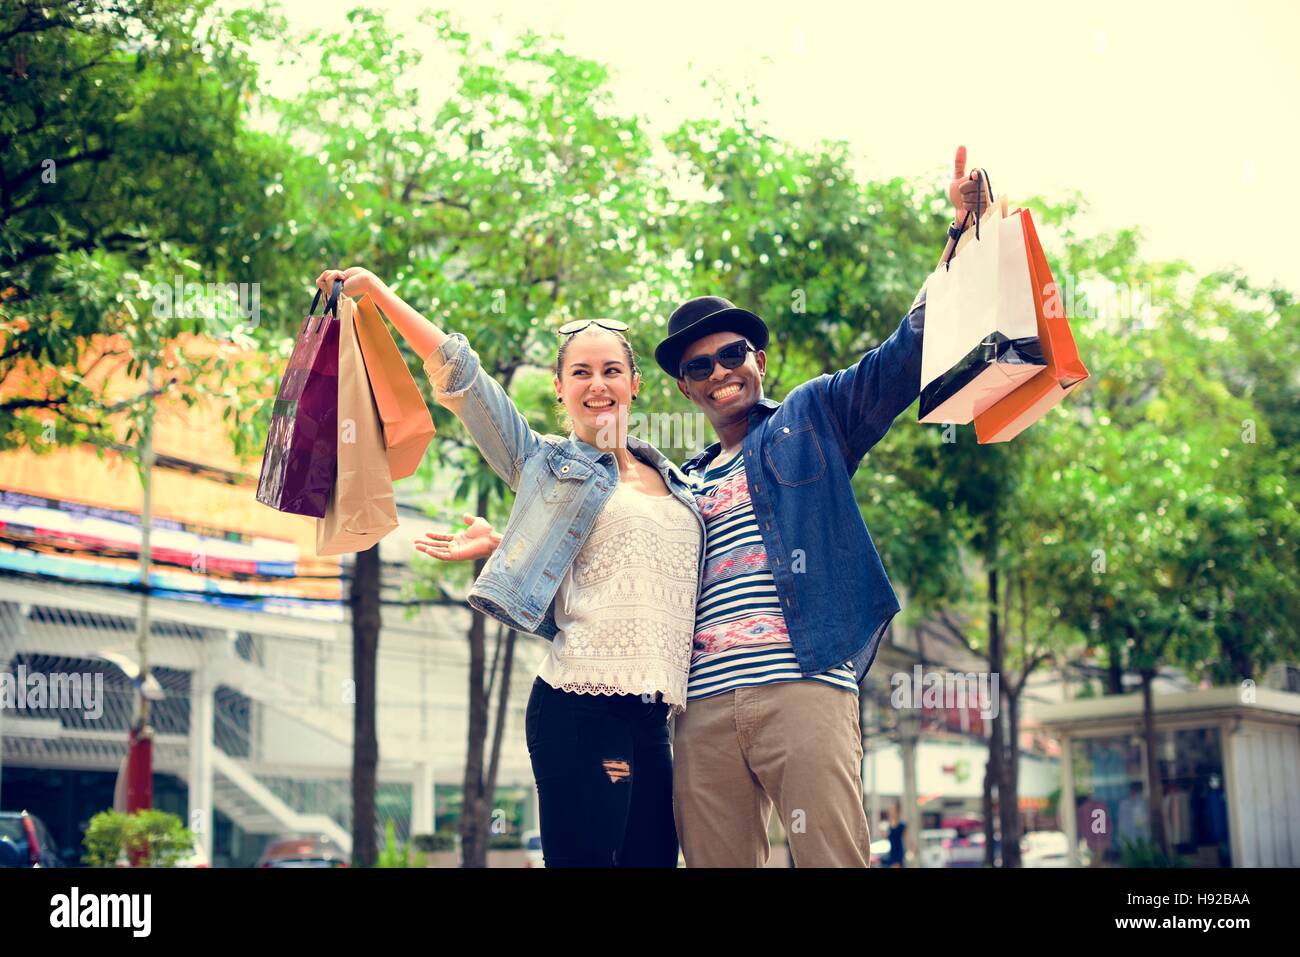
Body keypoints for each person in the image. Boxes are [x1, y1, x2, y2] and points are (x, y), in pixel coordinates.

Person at [428, 145, 993, 867]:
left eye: (734, 355)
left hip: (801, 685)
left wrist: (961, 237)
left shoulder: (813, 417)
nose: (721, 371)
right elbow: (615, 563)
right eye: (700, 367)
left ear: (762, 360)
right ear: (687, 389)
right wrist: (508, 542)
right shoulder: (678, 485)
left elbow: (902, 357)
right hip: (697, 712)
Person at [312, 267, 705, 868]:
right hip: (582, 705)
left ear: (635, 384)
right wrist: (378, 293)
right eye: (581, 372)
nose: (596, 385)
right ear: (558, 387)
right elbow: (462, 379)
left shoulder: (681, 484)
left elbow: (616, 568)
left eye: (611, 371)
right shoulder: (543, 463)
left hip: (655, 719)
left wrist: (508, 545)